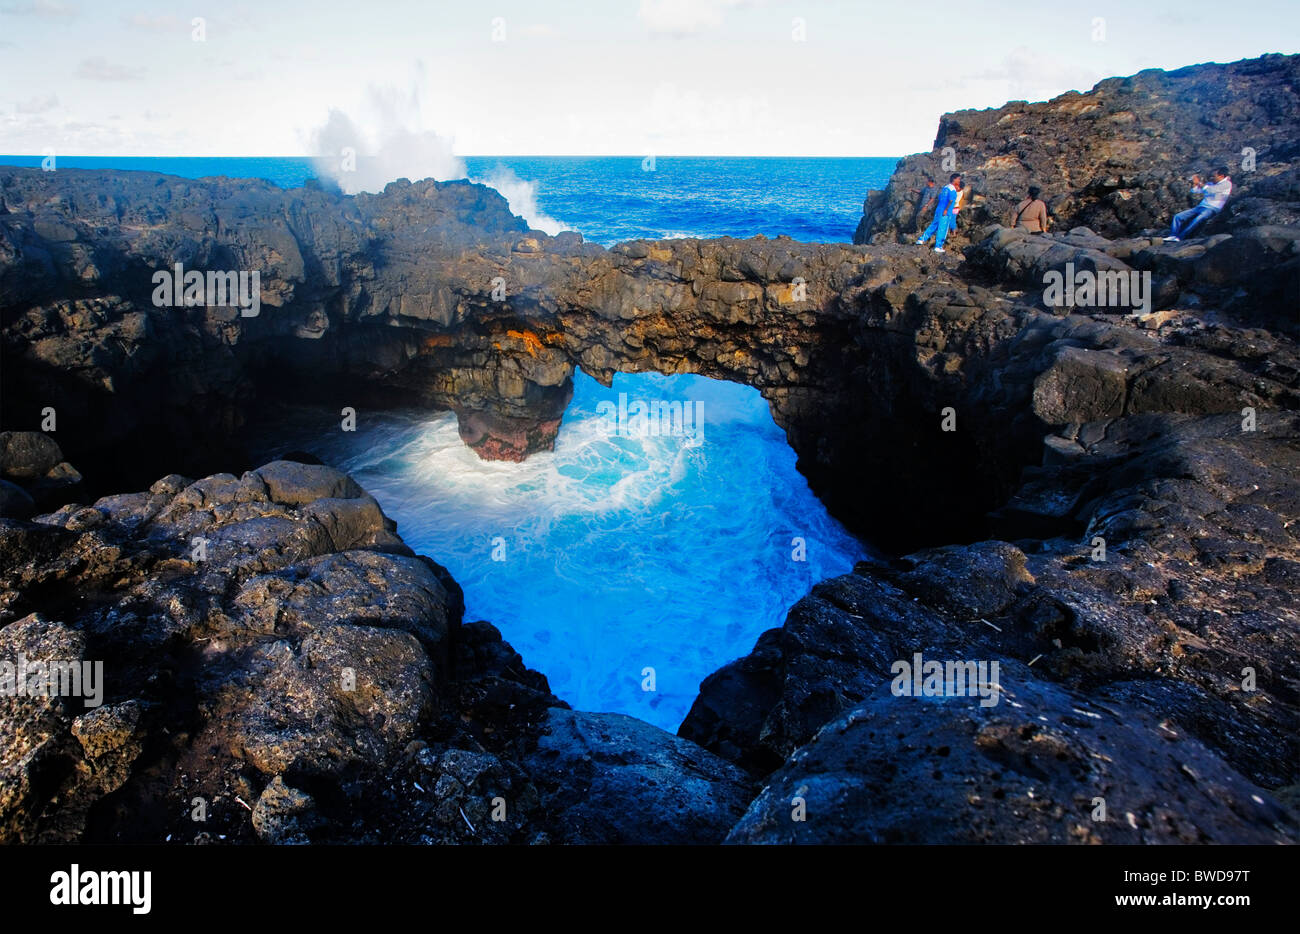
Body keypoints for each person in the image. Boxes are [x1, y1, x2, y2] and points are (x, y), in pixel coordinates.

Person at [1165, 167, 1231, 242]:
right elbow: (1195, 191)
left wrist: (1199, 183)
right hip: (1201, 206)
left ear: (1221, 176)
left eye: (1213, 176)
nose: (1211, 178)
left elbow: (1210, 190)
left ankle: (1180, 237)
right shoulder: (1211, 183)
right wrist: (1195, 183)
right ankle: (1172, 235)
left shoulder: (1227, 184)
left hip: (1212, 208)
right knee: (1178, 217)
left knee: (1197, 220)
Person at [917, 173, 961, 252]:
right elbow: (951, 200)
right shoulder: (952, 189)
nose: (959, 181)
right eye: (958, 179)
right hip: (945, 212)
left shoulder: (945, 187)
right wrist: (946, 210)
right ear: (954, 179)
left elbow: (940, 197)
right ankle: (938, 246)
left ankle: (921, 239)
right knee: (943, 228)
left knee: (934, 225)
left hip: (939, 210)